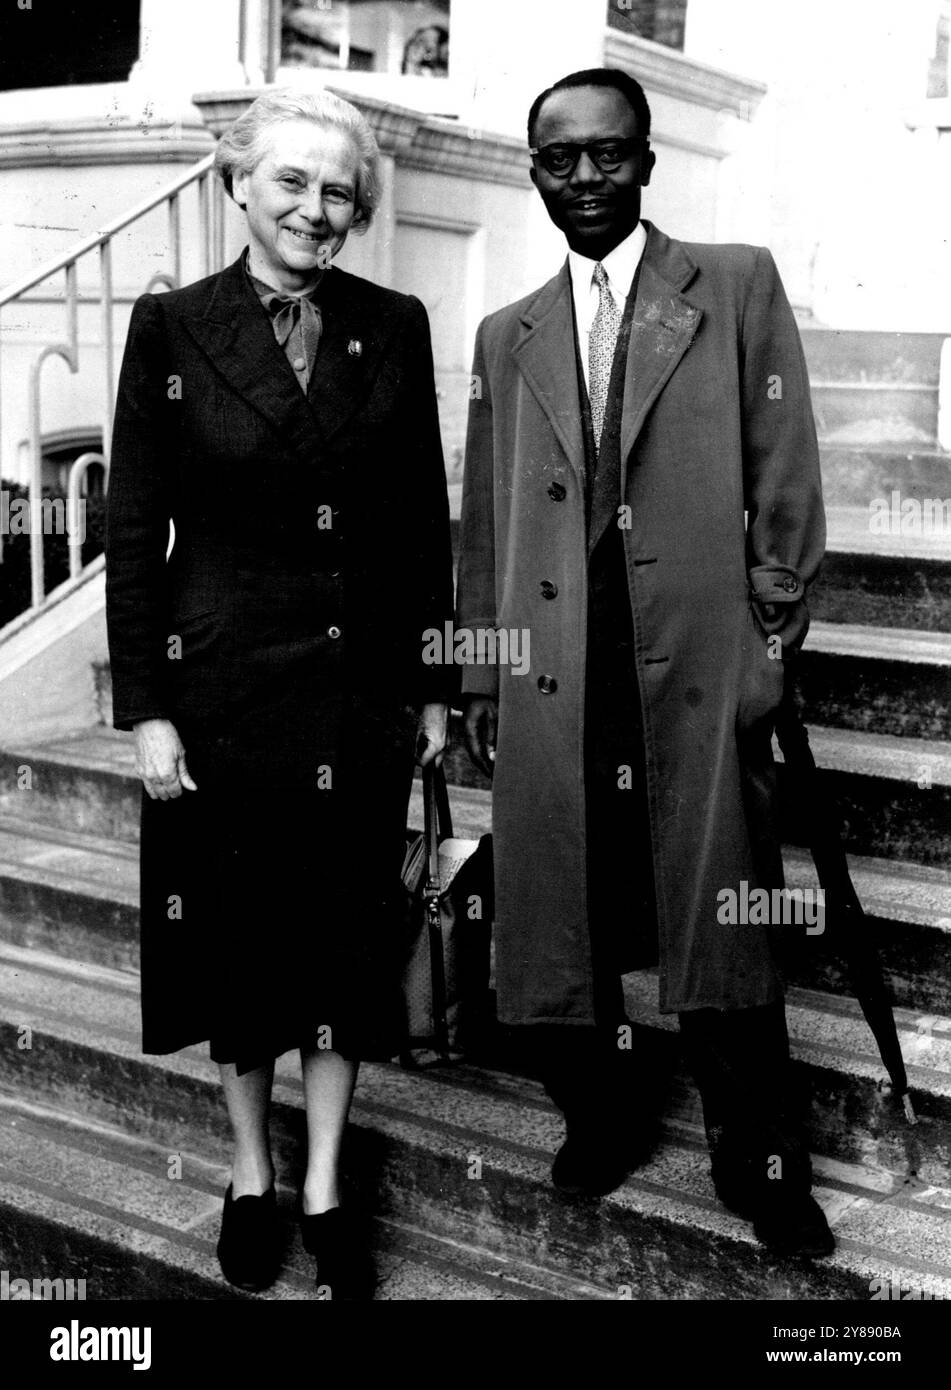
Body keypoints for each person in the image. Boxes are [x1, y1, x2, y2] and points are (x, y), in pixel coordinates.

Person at [455, 68, 833, 1258]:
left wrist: (770, 636)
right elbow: (486, 527)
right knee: (570, 911)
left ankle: (762, 1157)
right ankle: (602, 1114)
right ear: (533, 173)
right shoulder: (506, 330)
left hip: (697, 663)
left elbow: (786, 473)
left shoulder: (731, 285)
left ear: (648, 159)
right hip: (559, 671)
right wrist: (480, 675)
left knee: (721, 905)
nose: (584, 180)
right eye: (559, 160)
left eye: (608, 155)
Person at [105, 87, 454, 1297]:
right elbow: (136, 523)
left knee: (347, 949)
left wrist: (434, 690)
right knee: (242, 952)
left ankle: (325, 1183)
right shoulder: (171, 329)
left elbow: (419, 525)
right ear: (236, 186)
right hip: (223, 701)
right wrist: (148, 706)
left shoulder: (394, 322)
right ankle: (252, 1174)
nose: (318, 208)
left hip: (356, 697)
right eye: (293, 183)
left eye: (341, 189)